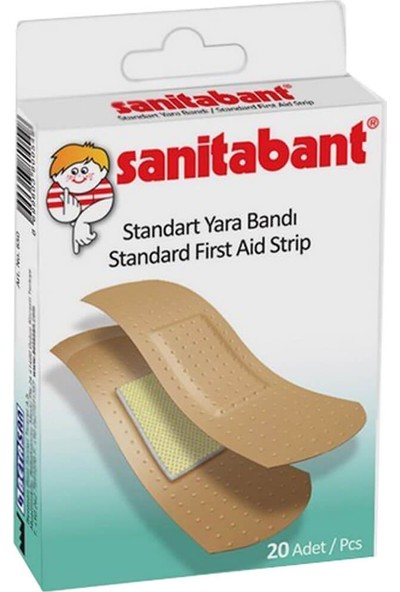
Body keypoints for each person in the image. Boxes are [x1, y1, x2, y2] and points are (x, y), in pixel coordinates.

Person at [47, 142, 114, 254]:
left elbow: (104, 204)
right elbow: (55, 211)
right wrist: (69, 215)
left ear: (102, 172)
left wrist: (82, 221)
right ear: (56, 177)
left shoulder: (103, 187)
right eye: (73, 171)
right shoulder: (57, 192)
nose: (79, 176)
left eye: (84, 171)